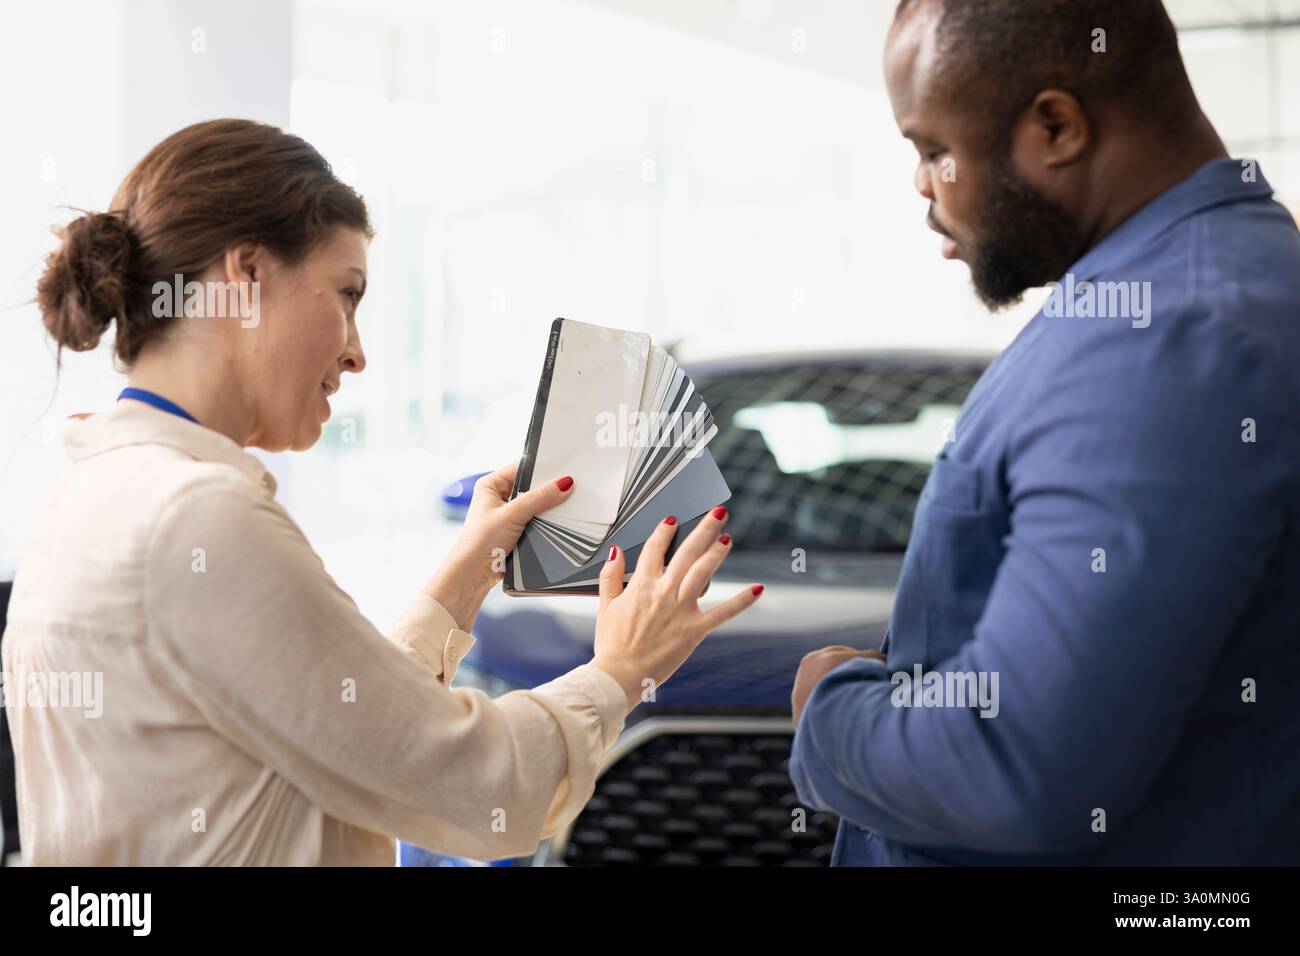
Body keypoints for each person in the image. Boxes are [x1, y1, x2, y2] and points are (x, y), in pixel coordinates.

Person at [2, 118, 761, 866]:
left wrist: (465, 580)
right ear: (248, 273)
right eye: (348, 292)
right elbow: (472, 786)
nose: (357, 354)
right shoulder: (200, 519)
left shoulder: (88, 497)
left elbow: (342, 732)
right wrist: (622, 670)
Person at [790, 0, 1300, 865]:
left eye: (931, 149)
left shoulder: (1166, 340)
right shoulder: (1199, 282)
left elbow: (1018, 768)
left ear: (1056, 127)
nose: (922, 185)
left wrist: (830, 708)